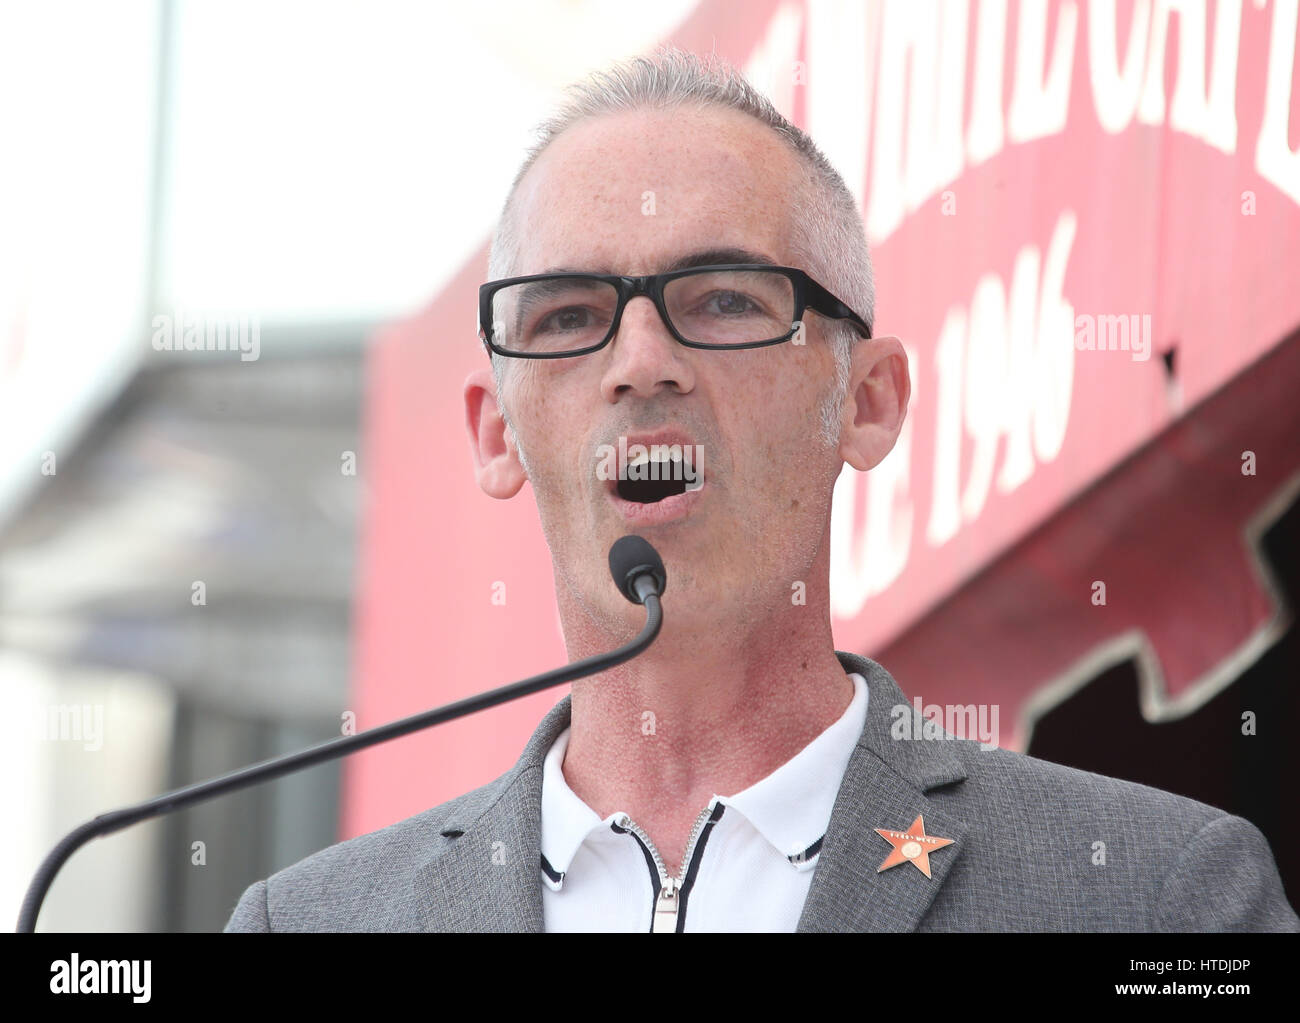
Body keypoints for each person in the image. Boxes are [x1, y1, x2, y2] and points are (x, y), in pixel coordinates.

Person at [225, 47, 1298, 933]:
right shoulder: (310, 922)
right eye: (564, 317)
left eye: (726, 300)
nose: (639, 359)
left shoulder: (1158, 898)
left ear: (868, 402)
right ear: (494, 434)